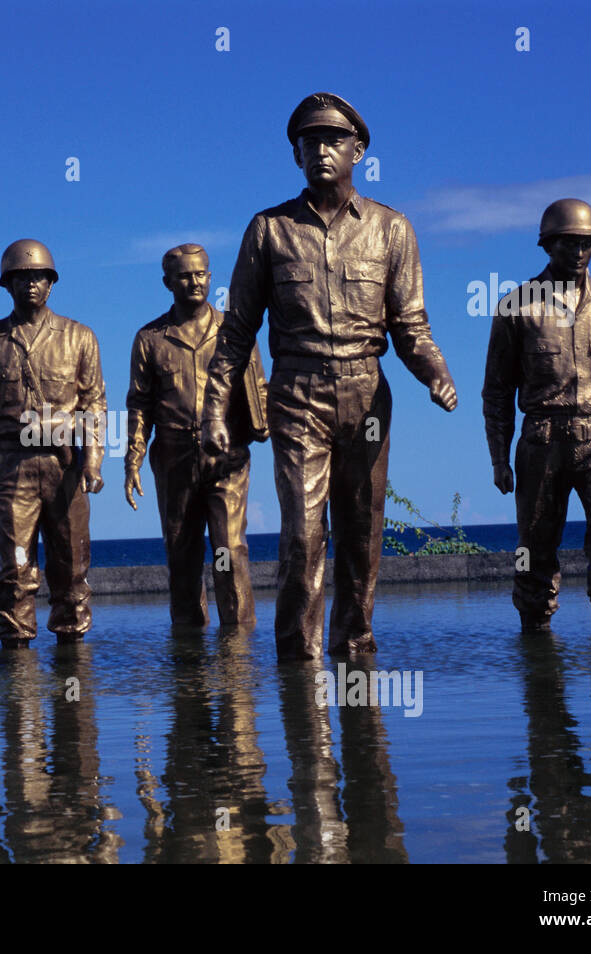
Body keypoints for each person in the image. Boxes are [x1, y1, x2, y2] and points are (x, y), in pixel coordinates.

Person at [202, 93, 458, 659]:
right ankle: (298, 663)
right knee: (301, 533)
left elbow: (411, 324)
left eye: (332, 140)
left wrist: (435, 372)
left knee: (363, 534)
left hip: (367, 394)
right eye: (308, 142)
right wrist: (214, 409)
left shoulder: (393, 230)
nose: (319, 150)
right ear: (295, 156)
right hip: (296, 394)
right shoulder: (268, 230)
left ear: (358, 151)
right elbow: (237, 331)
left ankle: (354, 650)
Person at [482, 199, 591, 633]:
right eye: (568, 243)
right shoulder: (516, 307)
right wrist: (499, 460)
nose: (579, 252)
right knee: (535, 549)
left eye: (586, 243)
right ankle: (538, 662)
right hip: (542, 443)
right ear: (548, 245)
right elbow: (497, 391)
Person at [0, 240, 106, 647]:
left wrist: (93, 463)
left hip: (65, 466)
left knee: (71, 567)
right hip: (12, 465)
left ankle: (73, 660)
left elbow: (95, 405)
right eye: (22, 277)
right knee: (15, 569)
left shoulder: (80, 337)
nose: (31, 284)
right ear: (7, 284)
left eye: (39, 277)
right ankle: (17, 664)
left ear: (51, 283)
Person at [125, 243, 267, 627]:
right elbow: (139, 404)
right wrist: (133, 459)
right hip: (173, 459)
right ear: (167, 282)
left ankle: (237, 657)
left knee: (229, 551)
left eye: (201, 273)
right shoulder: (150, 338)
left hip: (227, 458)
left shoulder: (235, 331)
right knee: (182, 554)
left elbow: (259, 391)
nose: (195, 282)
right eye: (185, 275)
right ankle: (189, 665)